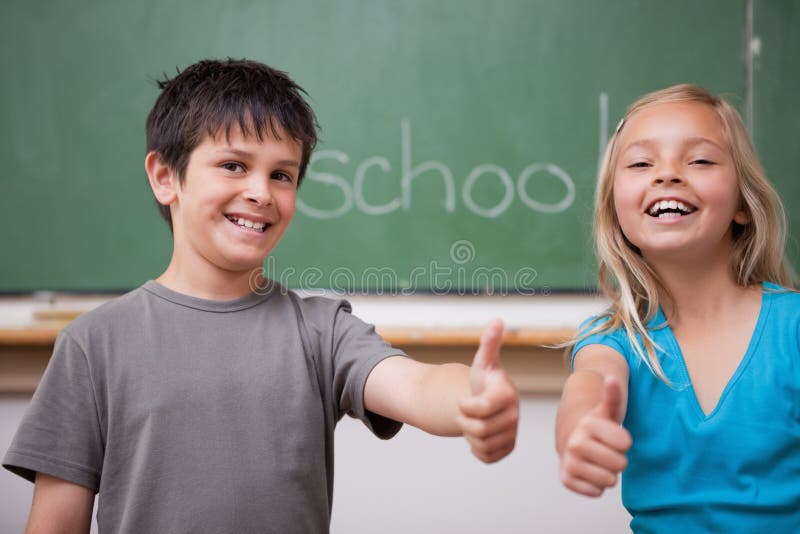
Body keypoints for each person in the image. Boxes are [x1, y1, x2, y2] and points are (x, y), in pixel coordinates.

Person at [3, 58, 519, 533]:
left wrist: (471, 399)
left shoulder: (322, 330)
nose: (261, 192)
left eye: (282, 174)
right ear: (165, 177)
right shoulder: (93, 346)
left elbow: (415, 385)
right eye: (233, 165)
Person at [555, 84, 799, 531]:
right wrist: (579, 431)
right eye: (641, 163)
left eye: (700, 160)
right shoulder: (612, 341)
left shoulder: (793, 327)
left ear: (743, 203)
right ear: (616, 209)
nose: (667, 174)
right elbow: (590, 387)